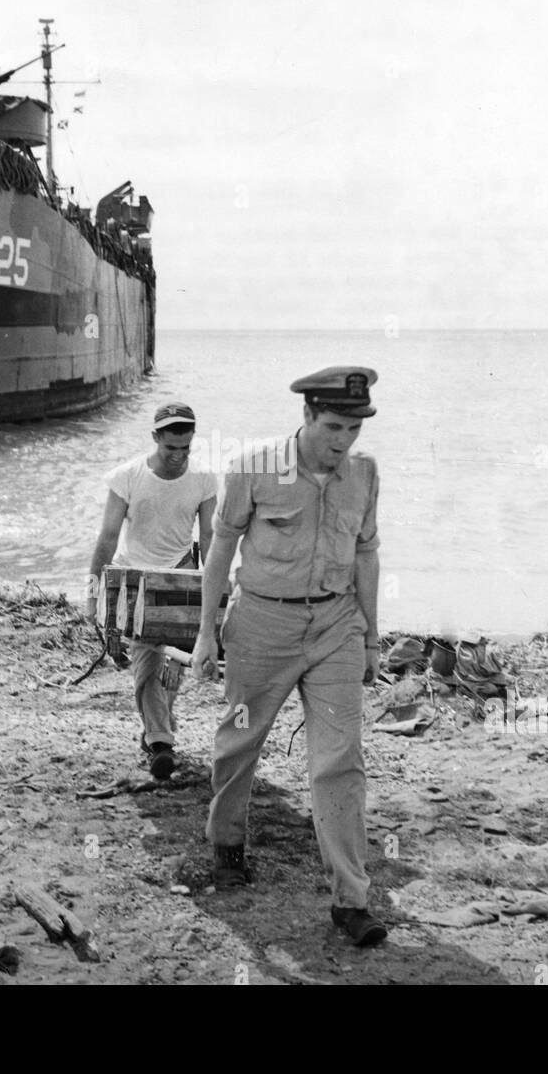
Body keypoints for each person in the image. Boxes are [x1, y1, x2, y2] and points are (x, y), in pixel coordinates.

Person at [189, 366, 387, 947]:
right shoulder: (253, 468)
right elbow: (221, 547)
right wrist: (206, 632)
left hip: (336, 627)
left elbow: (368, 555)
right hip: (262, 624)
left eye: (353, 428)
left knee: (340, 759)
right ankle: (227, 844)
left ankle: (351, 900)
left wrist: (373, 638)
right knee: (240, 738)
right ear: (306, 417)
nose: (342, 441)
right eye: (332, 426)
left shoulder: (366, 475)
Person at [86, 402, 216, 779]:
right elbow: (107, 537)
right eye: (170, 448)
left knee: (174, 664)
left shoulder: (205, 480)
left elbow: (209, 539)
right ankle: (162, 741)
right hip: (136, 577)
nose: (177, 457)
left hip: (180, 574)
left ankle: (158, 727)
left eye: (185, 449)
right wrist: (94, 593)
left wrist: (218, 594)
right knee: (146, 657)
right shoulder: (126, 476)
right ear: (155, 438)